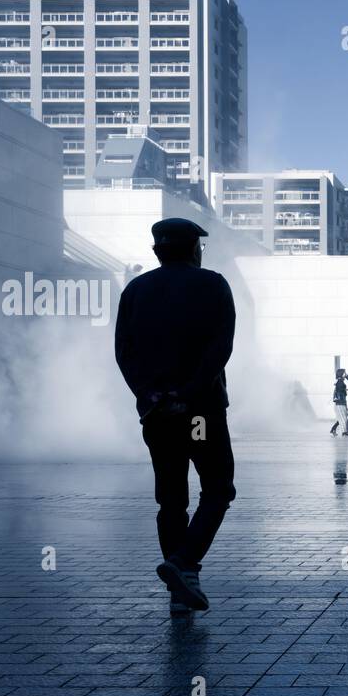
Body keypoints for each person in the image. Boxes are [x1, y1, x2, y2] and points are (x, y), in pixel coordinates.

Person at [115, 218, 236, 616]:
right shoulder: (213, 284)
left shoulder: (135, 290)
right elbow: (220, 348)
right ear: (194, 249)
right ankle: (184, 564)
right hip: (200, 414)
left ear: (157, 251)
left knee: (171, 500)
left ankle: (179, 592)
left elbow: (124, 353)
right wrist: (189, 393)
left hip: (157, 414)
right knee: (217, 489)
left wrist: (150, 394)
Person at [330, 368, 348, 436]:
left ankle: (333, 429)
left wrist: (345, 389)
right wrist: (345, 390)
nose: (345, 374)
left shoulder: (339, 381)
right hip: (340, 402)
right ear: (341, 374)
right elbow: (340, 391)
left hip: (340, 402)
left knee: (342, 417)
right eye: (344, 373)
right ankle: (344, 432)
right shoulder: (340, 382)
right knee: (343, 418)